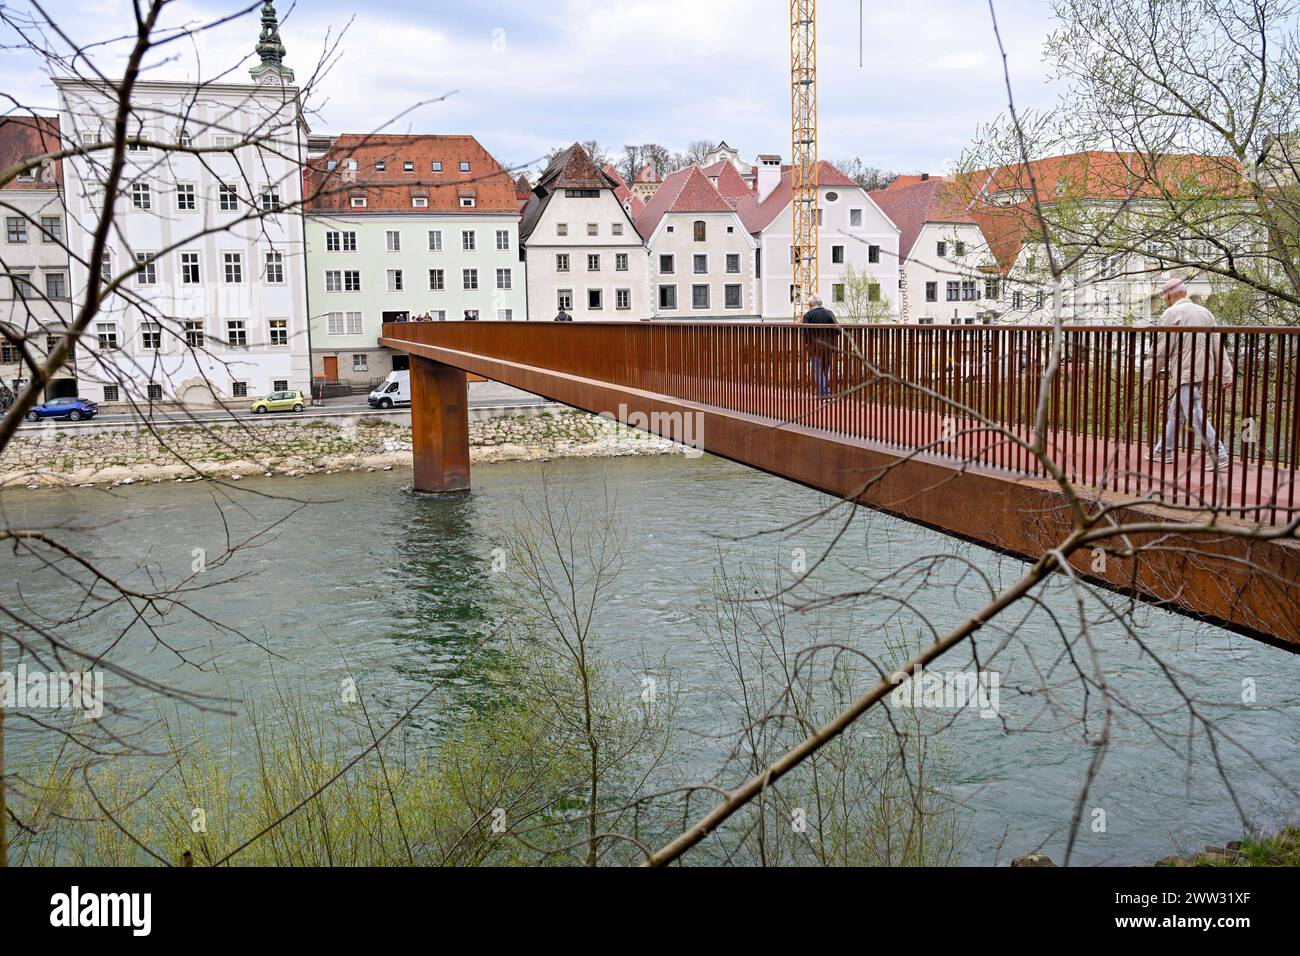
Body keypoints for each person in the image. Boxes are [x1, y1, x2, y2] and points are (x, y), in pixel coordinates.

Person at [1143, 276, 1234, 467]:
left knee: (1193, 413)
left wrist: (1146, 375)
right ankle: (1163, 451)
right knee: (1176, 412)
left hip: (1186, 370)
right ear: (1184, 293)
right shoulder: (1205, 312)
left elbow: (1161, 348)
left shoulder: (1171, 314)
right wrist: (1227, 373)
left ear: (1167, 296)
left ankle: (1219, 453)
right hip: (1203, 369)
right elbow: (1219, 344)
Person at [801, 296, 838, 399]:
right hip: (829, 348)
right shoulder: (829, 313)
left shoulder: (808, 315)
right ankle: (827, 393)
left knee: (818, 372)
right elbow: (838, 330)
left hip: (815, 348)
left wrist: (808, 345)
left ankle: (824, 394)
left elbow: (805, 334)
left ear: (811, 305)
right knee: (826, 371)